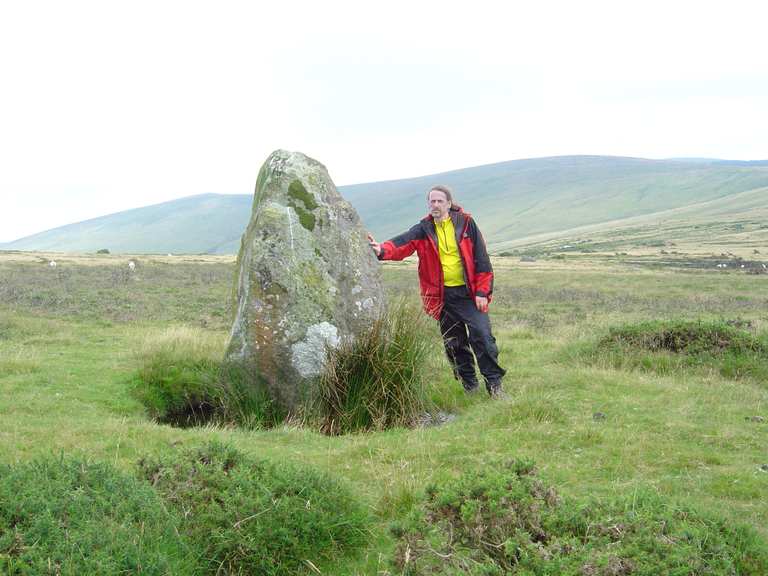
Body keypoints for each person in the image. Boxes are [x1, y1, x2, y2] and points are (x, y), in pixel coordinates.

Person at [367, 185, 507, 397]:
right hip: (442, 297)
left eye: (440, 201)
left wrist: (482, 292)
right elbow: (402, 244)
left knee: (483, 337)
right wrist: (382, 250)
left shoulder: (466, 224)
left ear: (449, 203)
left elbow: (482, 259)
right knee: (454, 344)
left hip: (469, 295)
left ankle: (495, 385)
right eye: (432, 201)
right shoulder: (424, 229)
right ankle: (469, 385)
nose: (435, 205)